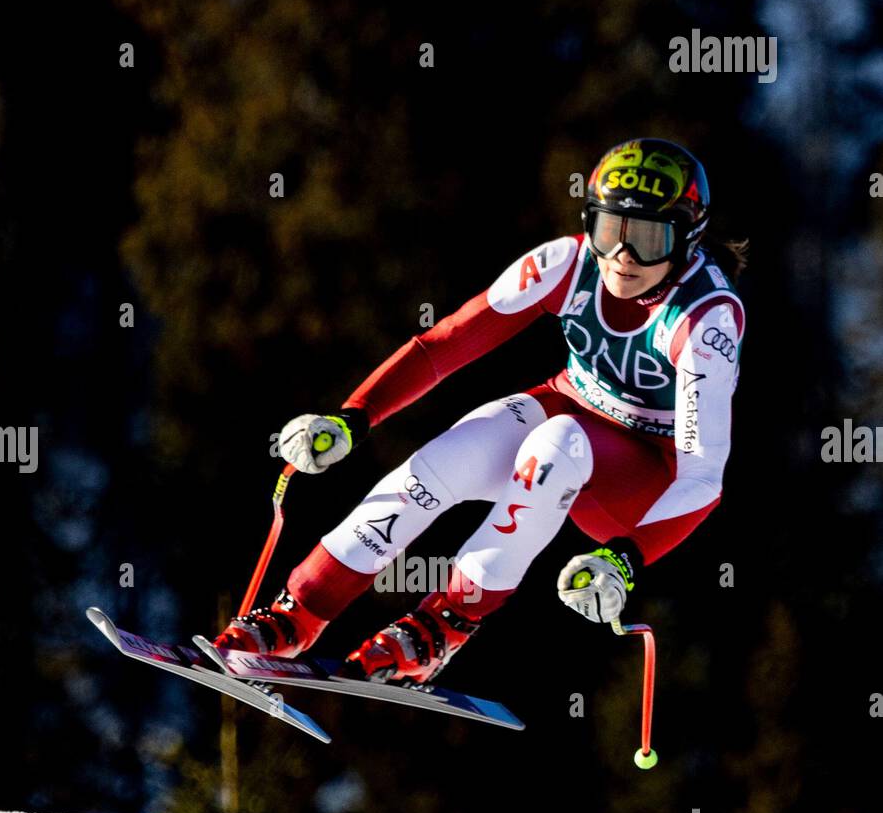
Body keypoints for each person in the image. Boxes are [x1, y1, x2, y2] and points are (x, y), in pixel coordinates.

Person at [216, 137, 746, 683]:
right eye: (611, 231)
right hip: (574, 407)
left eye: (649, 239)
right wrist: (355, 416)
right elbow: (446, 343)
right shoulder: (564, 262)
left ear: (686, 240)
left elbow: (702, 477)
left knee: (556, 442)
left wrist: (624, 559)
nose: (623, 258)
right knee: (446, 458)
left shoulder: (705, 320)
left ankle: (443, 625)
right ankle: (296, 613)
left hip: (642, 482)